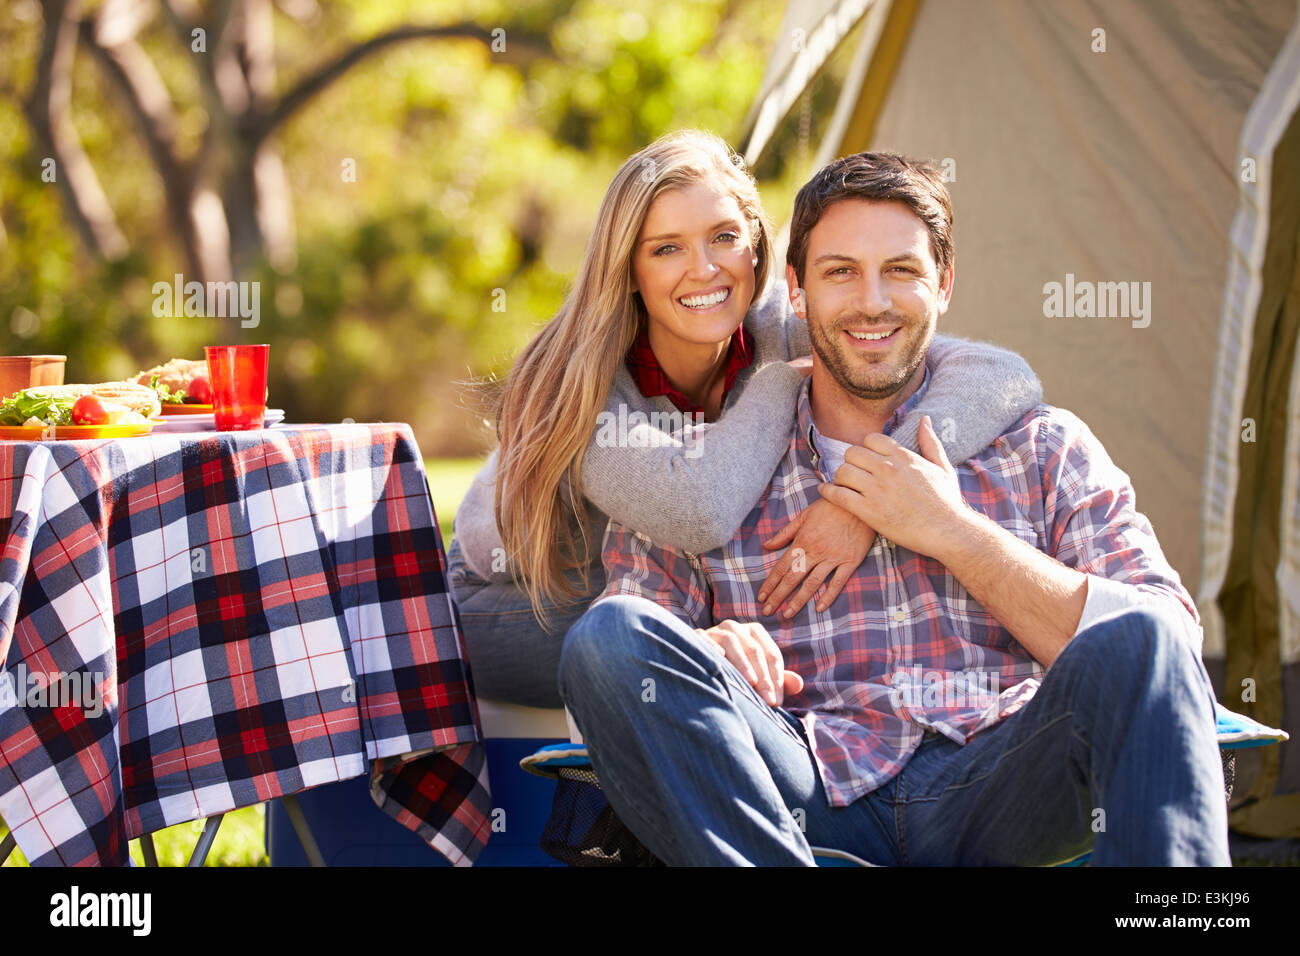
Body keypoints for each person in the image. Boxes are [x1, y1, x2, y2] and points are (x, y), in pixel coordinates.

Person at [558, 151, 1229, 865]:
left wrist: (956, 533)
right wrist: (709, 651)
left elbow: (1171, 651)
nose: (872, 301)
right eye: (840, 271)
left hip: (1003, 776)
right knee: (608, 638)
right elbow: (631, 654)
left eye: (901, 271)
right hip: (807, 787)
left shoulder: (1040, 445)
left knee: (1145, 634)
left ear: (942, 285)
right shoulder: (715, 468)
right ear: (796, 290)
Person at [450, 130, 1044, 709]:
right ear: (628, 268)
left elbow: (1000, 373)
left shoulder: (778, 328)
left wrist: (864, 501)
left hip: (662, 584)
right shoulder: (581, 385)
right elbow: (696, 512)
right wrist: (782, 383)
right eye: (666, 248)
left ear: (757, 247)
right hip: (521, 595)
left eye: (724, 237)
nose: (704, 269)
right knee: (651, 633)